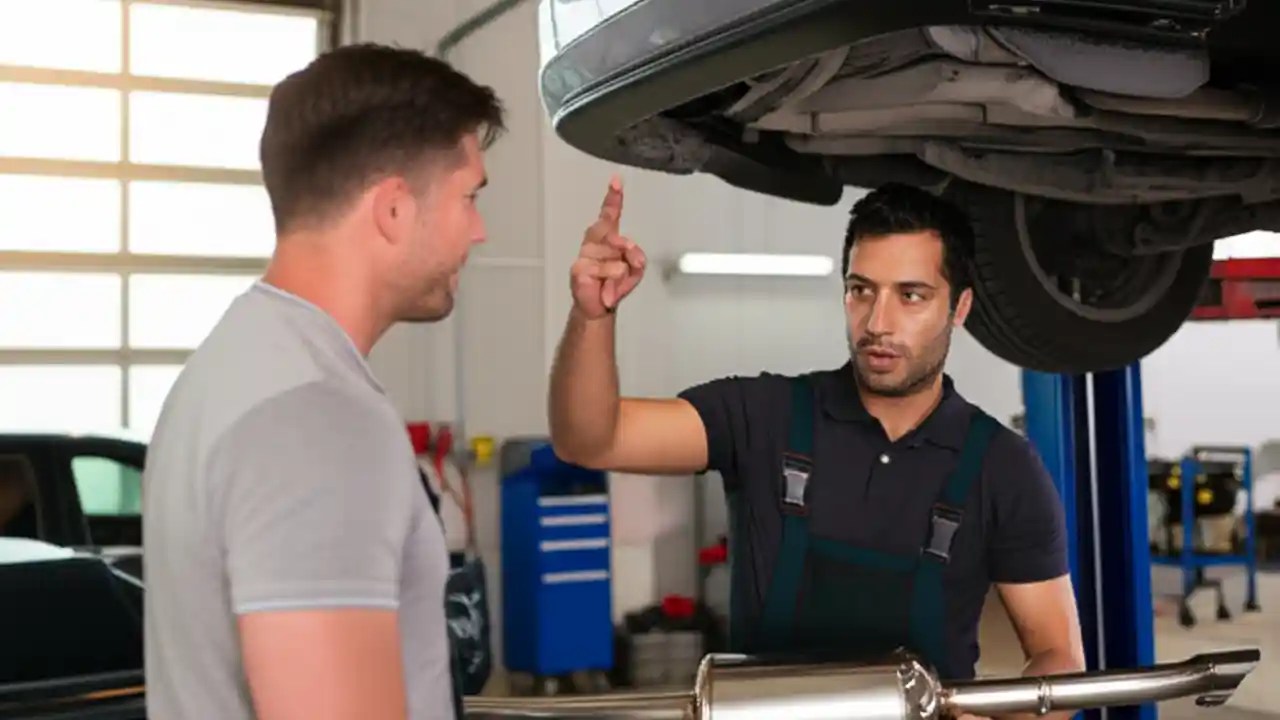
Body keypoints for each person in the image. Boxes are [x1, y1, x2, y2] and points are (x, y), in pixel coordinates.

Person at [548, 180, 1086, 713]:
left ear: (960, 308)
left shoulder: (1001, 466)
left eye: (911, 296)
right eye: (861, 290)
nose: (878, 322)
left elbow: (1057, 656)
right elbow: (591, 440)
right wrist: (593, 318)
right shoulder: (765, 417)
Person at [142, 43, 504, 720]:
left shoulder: (239, 363)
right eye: (469, 197)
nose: (478, 232)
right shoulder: (316, 417)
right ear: (393, 208)